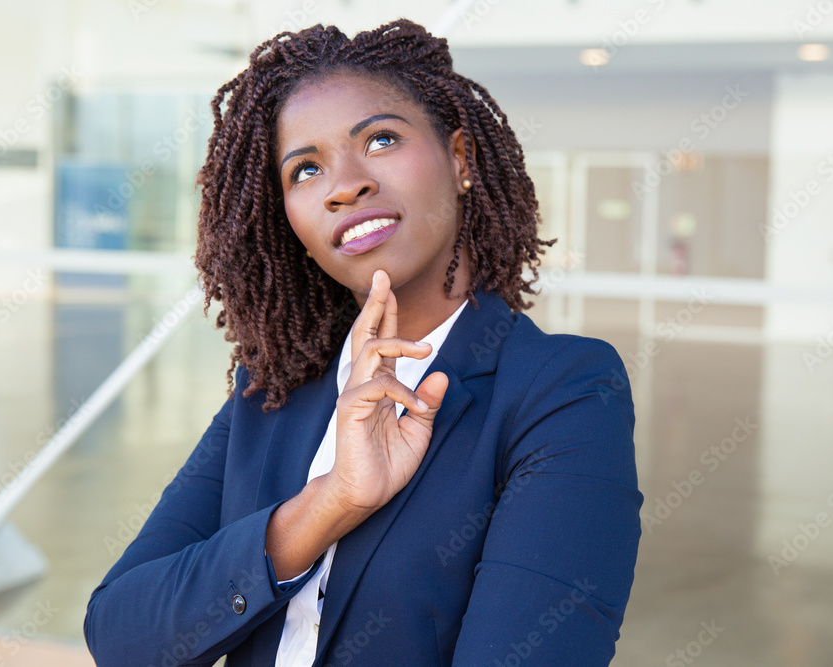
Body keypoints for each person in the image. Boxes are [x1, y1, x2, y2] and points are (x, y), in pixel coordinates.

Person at [84, 17, 643, 667]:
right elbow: (121, 636)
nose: (345, 185)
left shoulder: (563, 391)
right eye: (305, 170)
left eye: (380, 139)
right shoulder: (271, 391)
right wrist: (328, 503)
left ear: (460, 160)